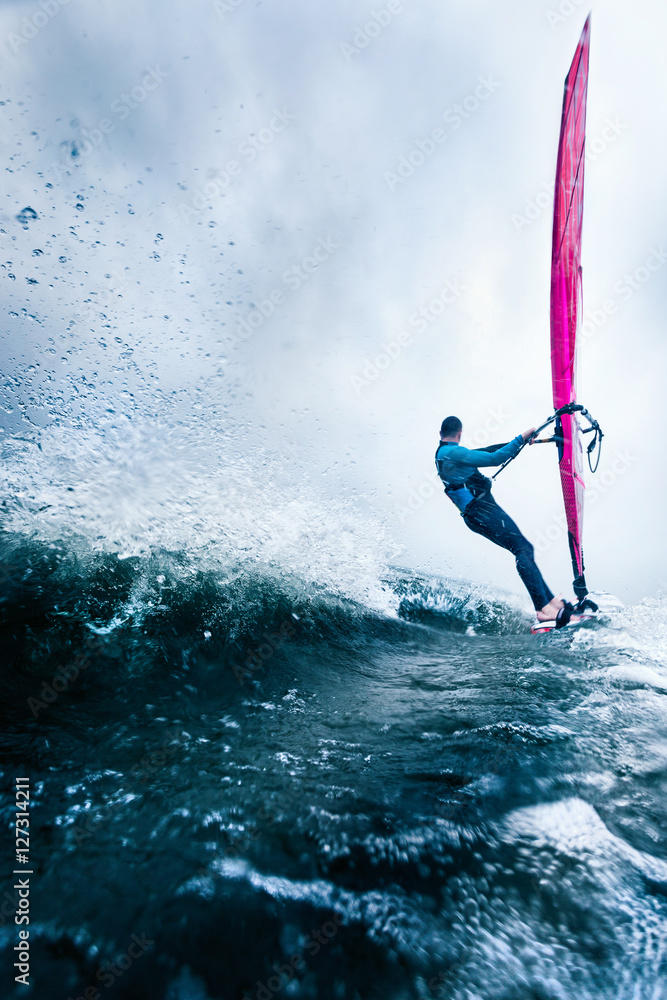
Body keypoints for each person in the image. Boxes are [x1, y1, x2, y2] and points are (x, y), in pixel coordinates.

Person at [435, 415, 577, 626]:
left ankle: (550, 602)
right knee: (522, 549)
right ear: (460, 433)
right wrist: (521, 437)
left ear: (441, 434)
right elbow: (494, 459)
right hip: (479, 511)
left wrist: (520, 442)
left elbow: (486, 451)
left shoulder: (445, 453)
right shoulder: (455, 453)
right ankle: (543, 609)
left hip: (478, 512)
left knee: (524, 548)